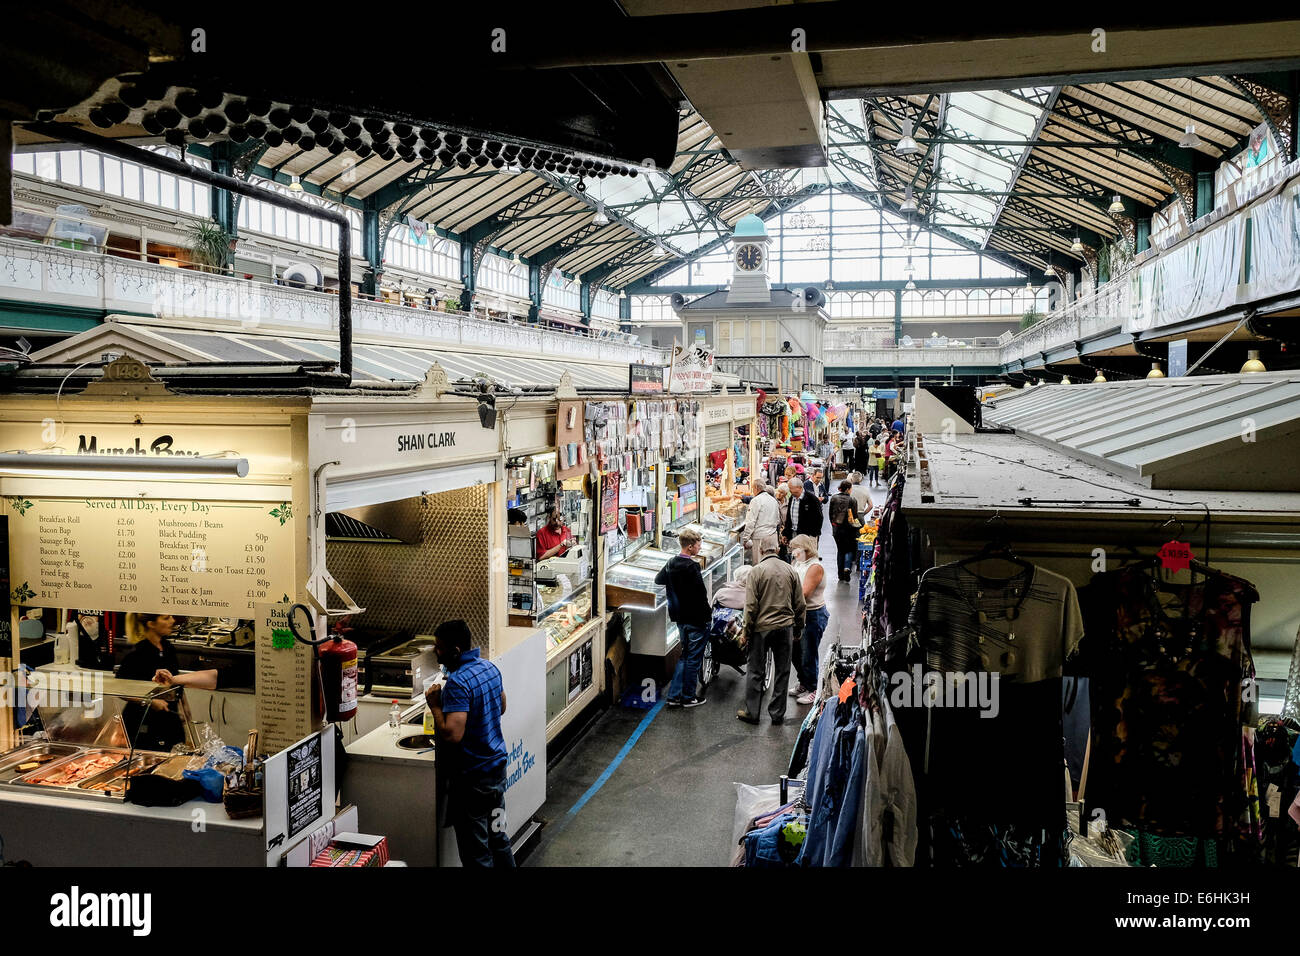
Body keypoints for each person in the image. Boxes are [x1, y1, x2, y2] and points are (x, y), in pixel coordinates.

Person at [425, 619, 515, 868]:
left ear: (455, 651)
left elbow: (452, 734)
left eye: (439, 648)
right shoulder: (489, 668)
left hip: (473, 782)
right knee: (499, 839)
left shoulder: (458, 683)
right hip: (497, 774)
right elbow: (502, 706)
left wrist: (434, 706)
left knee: (477, 854)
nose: (435, 652)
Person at [119, 613, 219, 751]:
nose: (172, 621)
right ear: (151, 624)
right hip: (143, 721)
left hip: (169, 718)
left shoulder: (168, 648)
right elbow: (121, 689)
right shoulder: (137, 653)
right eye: (166, 618)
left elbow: (175, 682)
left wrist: (184, 705)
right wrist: (150, 701)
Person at [737, 536, 803, 726]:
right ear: (777, 549)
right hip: (785, 627)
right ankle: (777, 713)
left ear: (761, 550)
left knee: (755, 670)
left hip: (761, 629)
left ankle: (752, 712)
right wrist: (798, 627)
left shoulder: (756, 572)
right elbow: (800, 604)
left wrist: (745, 632)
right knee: (783, 670)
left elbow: (750, 606)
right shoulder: (791, 570)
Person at [655, 527, 711, 708]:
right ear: (689, 547)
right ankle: (688, 697)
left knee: (684, 656)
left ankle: (673, 695)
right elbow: (701, 595)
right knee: (694, 658)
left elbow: (658, 579)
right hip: (696, 619)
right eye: (698, 545)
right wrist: (708, 617)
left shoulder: (671, 563)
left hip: (680, 618)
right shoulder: (692, 567)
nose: (700, 548)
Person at [788, 534, 827, 706]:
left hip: (813, 614)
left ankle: (813, 689)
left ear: (806, 549)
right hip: (798, 614)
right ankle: (804, 682)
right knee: (796, 651)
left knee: (808, 653)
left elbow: (804, 593)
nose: (793, 553)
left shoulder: (815, 567)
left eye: (795, 549)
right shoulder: (798, 563)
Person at [740, 477, 780, 565]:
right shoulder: (773, 500)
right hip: (772, 536)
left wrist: (745, 539)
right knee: (771, 563)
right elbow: (778, 520)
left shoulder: (756, 500)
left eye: (753, 488)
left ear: (756, 488)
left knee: (759, 564)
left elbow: (751, 522)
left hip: (760, 537)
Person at [828, 479, 862, 583]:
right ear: (847, 489)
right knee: (849, 549)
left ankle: (840, 574)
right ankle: (847, 568)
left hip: (837, 529)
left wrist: (834, 525)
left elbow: (830, 514)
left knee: (840, 550)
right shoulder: (852, 500)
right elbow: (855, 516)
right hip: (849, 529)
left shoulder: (834, 498)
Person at [783, 475, 823, 544]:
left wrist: (812, 535)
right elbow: (789, 517)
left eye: (791, 488)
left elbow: (819, 518)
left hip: (807, 537)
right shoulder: (792, 498)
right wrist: (786, 533)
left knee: (808, 554)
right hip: (793, 534)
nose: (790, 491)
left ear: (800, 488)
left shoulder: (812, 499)